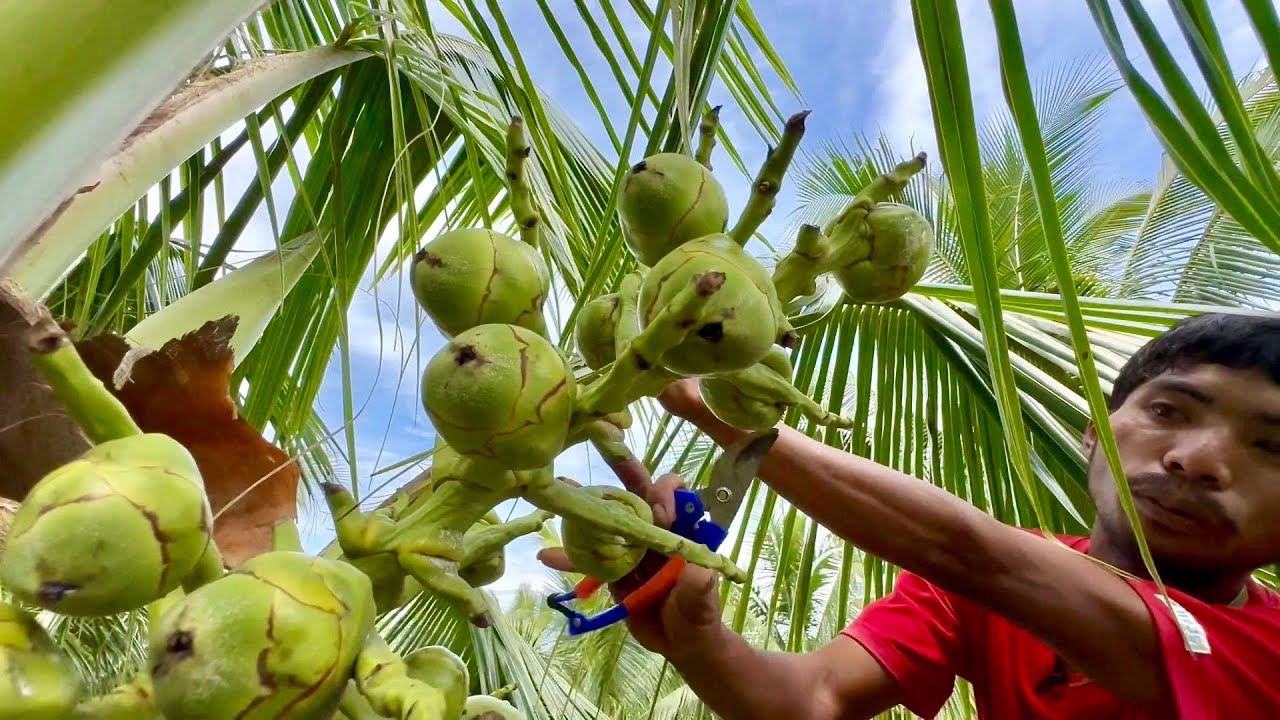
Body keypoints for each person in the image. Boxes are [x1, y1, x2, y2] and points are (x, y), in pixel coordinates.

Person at [538, 312, 1280, 719]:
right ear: (1096, 432)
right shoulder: (982, 589)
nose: (1199, 460)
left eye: (1272, 447)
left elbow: (971, 553)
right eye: (1168, 411)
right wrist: (697, 641)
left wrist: (715, 409)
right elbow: (814, 700)